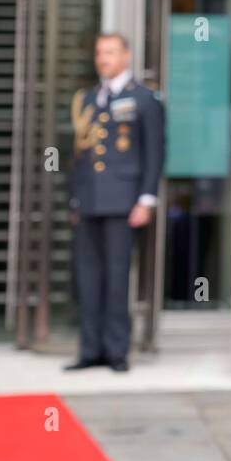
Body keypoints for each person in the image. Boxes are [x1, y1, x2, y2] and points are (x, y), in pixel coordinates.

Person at [65, 32, 165, 373]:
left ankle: (117, 352)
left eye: (110, 52)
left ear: (126, 56)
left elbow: (154, 153)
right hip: (89, 202)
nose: (102, 58)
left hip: (124, 202)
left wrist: (146, 200)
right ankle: (89, 350)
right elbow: (79, 156)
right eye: (99, 52)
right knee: (88, 278)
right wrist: (75, 201)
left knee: (117, 278)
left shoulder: (144, 98)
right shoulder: (89, 99)